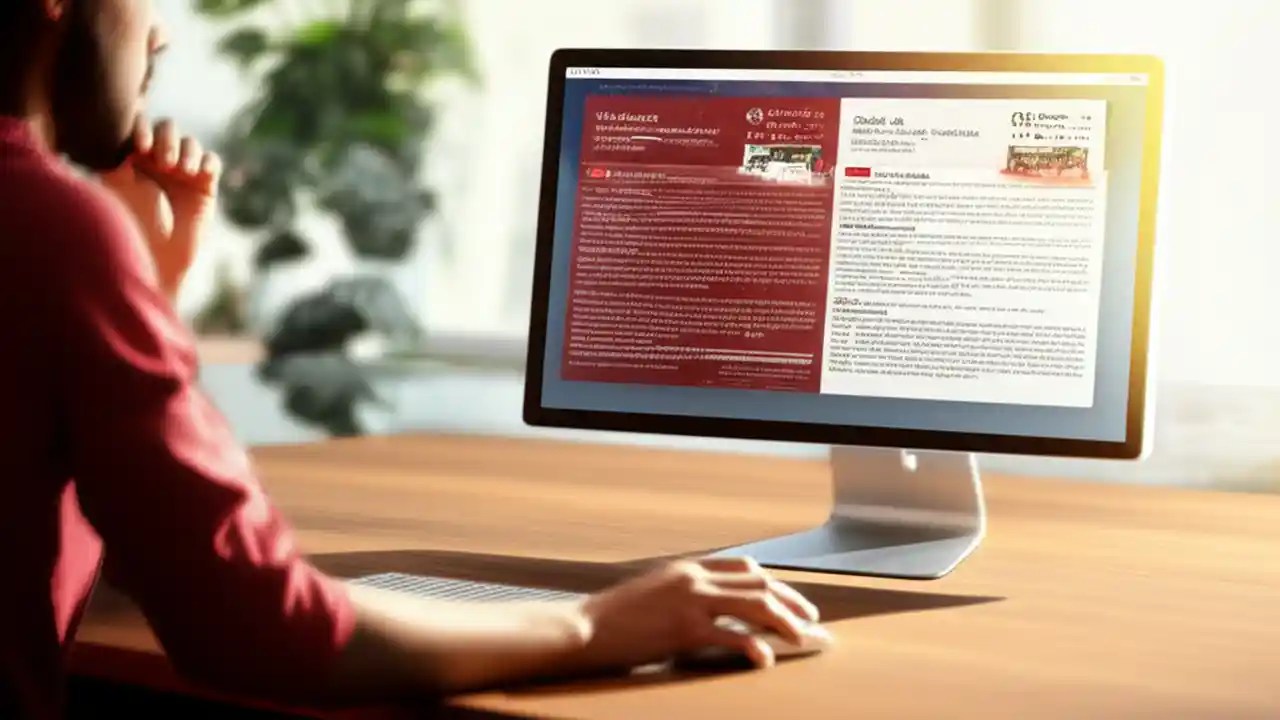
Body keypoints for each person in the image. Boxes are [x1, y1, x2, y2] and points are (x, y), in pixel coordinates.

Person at [0, 1, 826, 718]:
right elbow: (250, 623)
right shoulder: (52, 226)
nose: (161, 31)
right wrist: (599, 625)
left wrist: (140, 303)